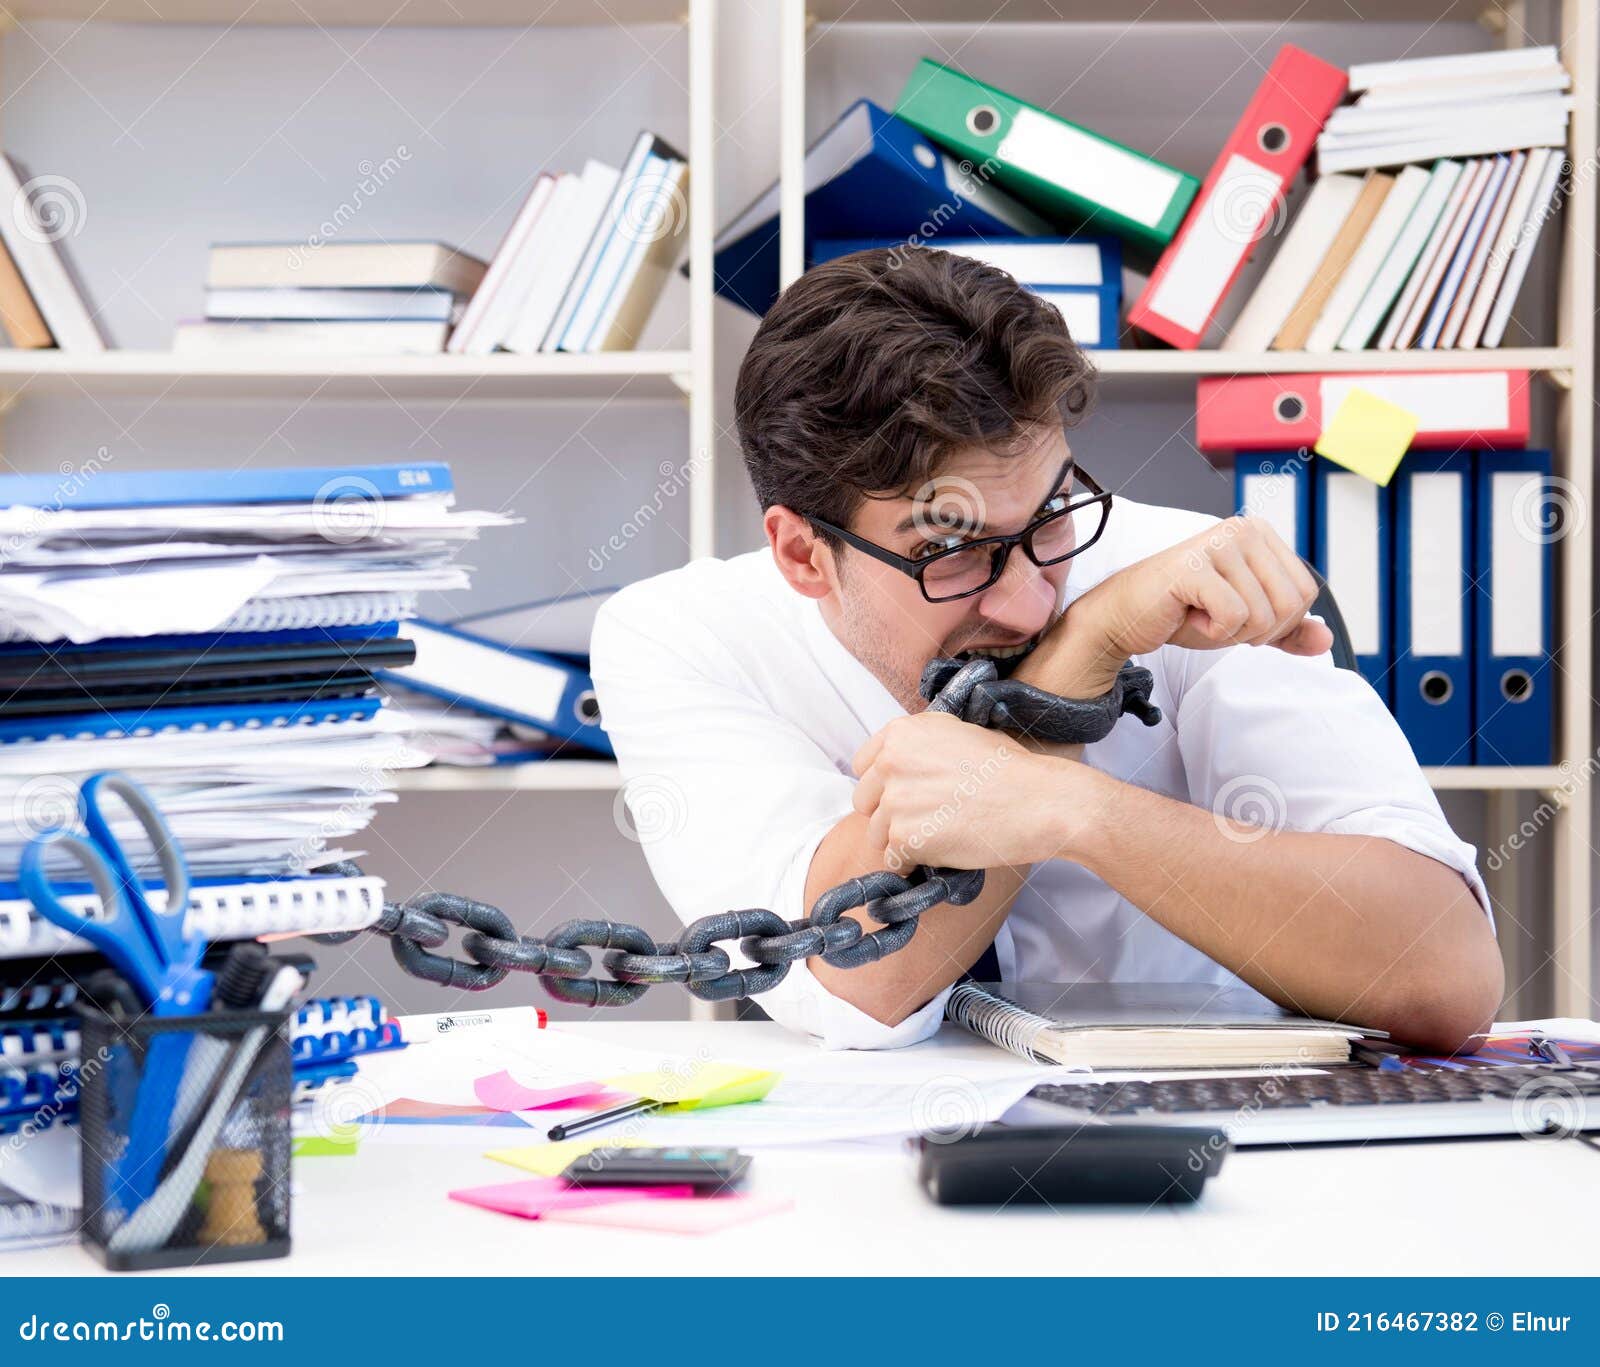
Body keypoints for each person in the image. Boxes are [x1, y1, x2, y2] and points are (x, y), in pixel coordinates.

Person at [591, 246, 1501, 1054]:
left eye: (1052, 516)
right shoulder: (681, 635)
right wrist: (1082, 656)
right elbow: (860, 977)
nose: (1028, 599)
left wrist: (1078, 810)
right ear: (802, 553)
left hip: (1221, 1155)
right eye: (950, 550)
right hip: (862, 1173)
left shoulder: (1184, 575)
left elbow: (1447, 977)